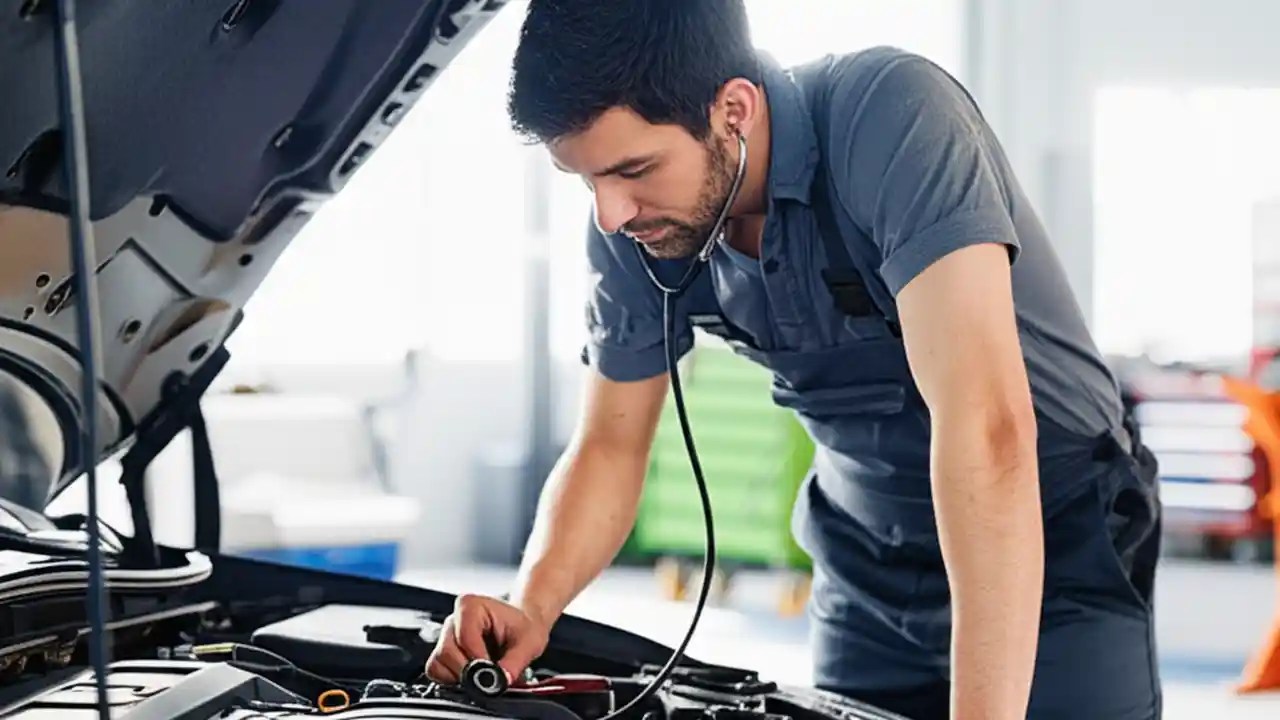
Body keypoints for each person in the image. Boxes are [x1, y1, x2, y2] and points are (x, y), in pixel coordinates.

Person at [426, 2, 1162, 718]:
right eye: (586, 180)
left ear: (734, 111)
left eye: (634, 169)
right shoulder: (639, 229)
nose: (611, 213)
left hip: (1053, 532)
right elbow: (612, 444)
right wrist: (534, 604)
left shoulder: (893, 119)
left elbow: (989, 432)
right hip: (864, 559)